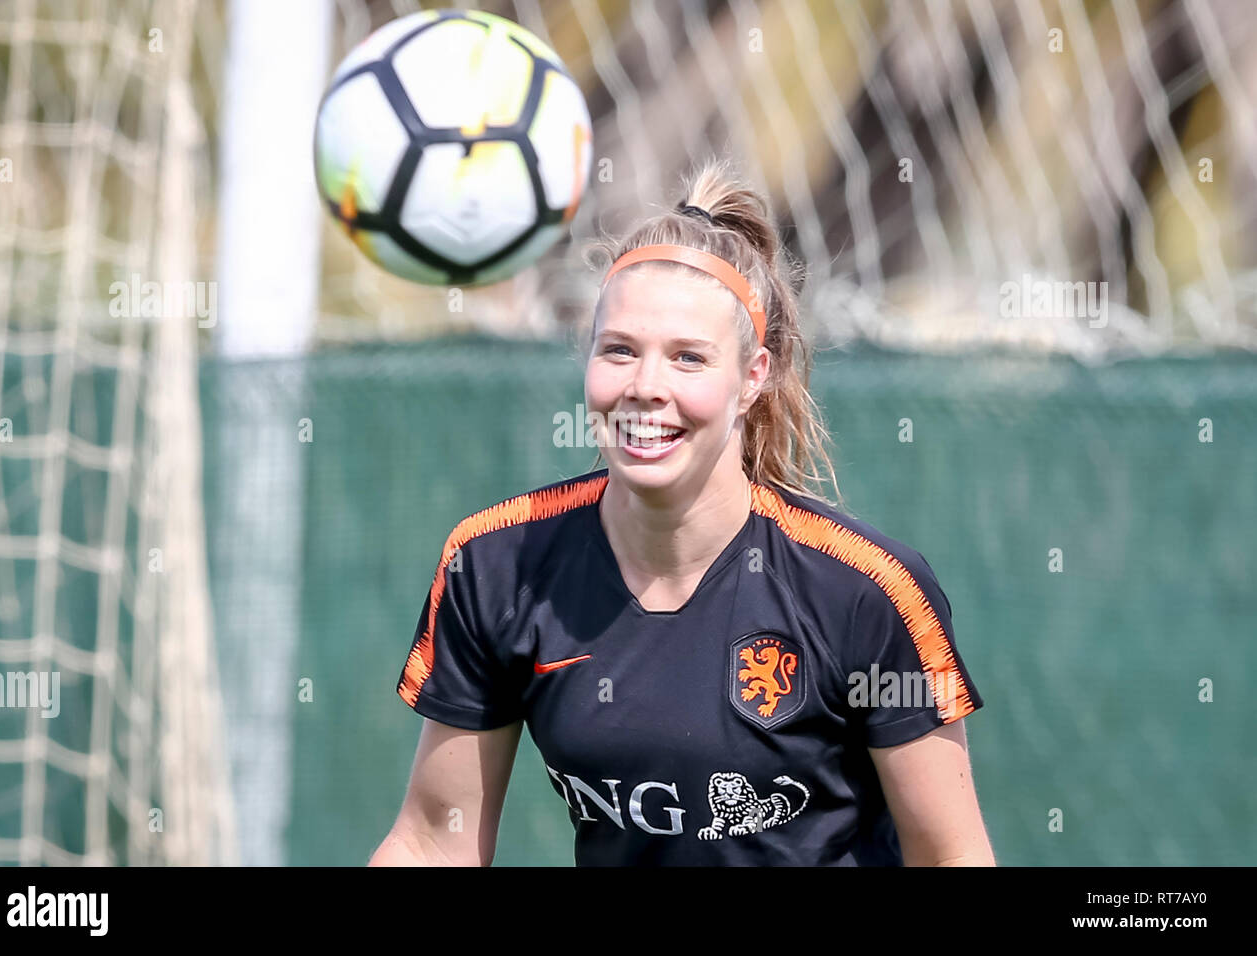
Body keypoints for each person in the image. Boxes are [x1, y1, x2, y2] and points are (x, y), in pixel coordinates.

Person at [371, 159, 994, 866]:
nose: (645, 387)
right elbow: (432, 843)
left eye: (688, 359)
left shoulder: (866, 590)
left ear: (753, 376)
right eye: (619, 351)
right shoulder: (495, 565)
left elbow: (950, 857)